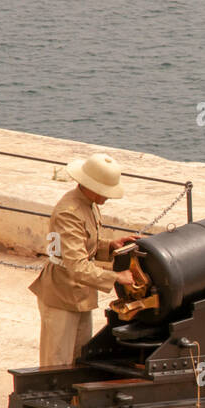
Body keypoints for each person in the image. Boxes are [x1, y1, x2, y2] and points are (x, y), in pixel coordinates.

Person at [29, 153, 137, 367]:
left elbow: (84, 243)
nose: (108, 197)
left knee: (80, 356)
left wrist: (110, 245)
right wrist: (116, 277)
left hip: (81, 292)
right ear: (91, 186)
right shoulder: (69, 213)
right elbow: (76, 265)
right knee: (57, 361)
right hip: (62, 292)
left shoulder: (88, 204)